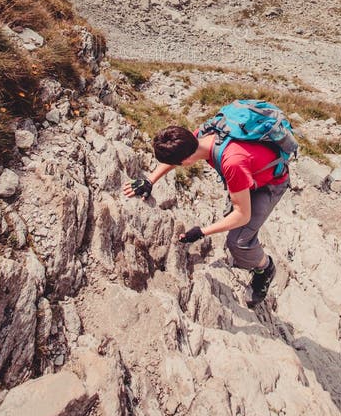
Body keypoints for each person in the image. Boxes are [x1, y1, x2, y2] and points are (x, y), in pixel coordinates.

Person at [123, 123, 290, 307]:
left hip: (270, 184)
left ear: (185, 163)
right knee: (231, 216)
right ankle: (247, 257)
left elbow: (243, 215)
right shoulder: (202, 134)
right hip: (250, 172)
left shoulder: (232, 162)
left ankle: (265, 268)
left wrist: (201, 232)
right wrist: (149, 180)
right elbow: (176, 156)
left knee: (238, 242)